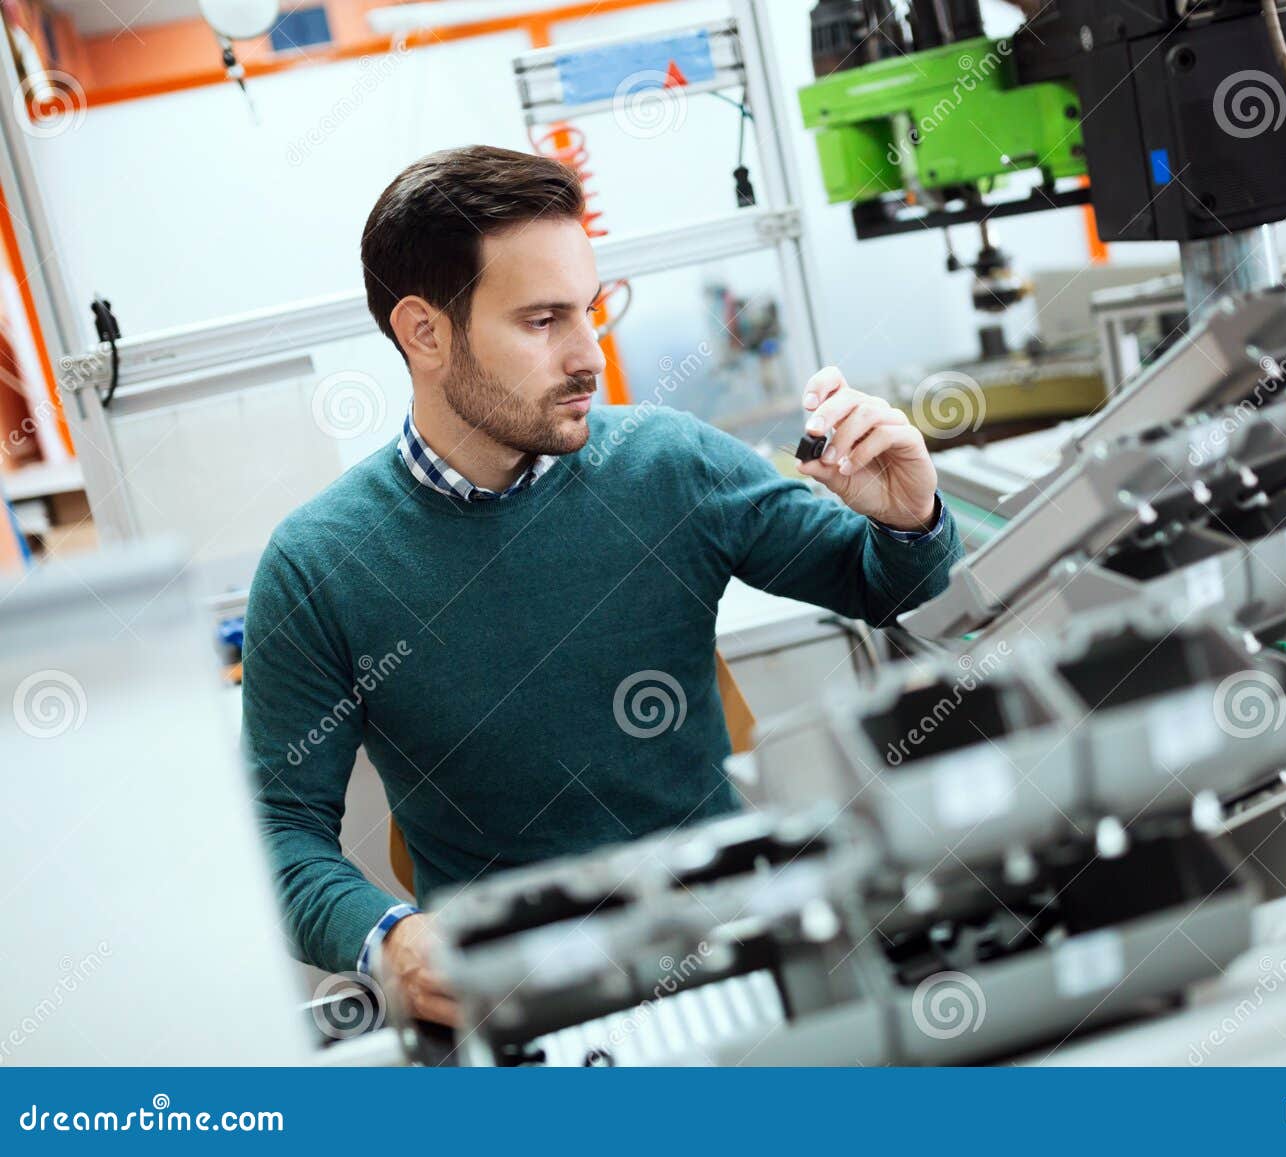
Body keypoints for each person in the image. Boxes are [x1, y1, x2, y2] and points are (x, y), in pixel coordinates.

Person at [244, 146, 962, 1025]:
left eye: (590, 309)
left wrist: (907, 514)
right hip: (521, 1001)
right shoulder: (320, 563)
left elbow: (881, 583)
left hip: (739, 955)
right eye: (544, 321)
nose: (590, 354)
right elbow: (278, 831)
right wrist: (389, 938)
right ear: (424, 333)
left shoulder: (669, 463)